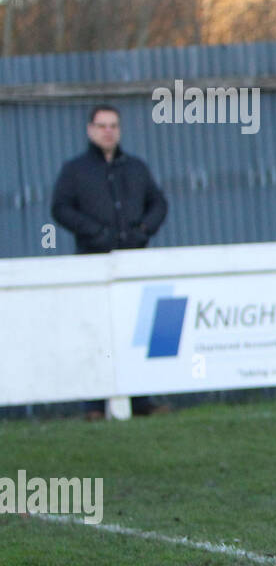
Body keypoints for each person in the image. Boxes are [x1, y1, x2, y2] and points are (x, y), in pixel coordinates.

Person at [51, 104, 169, 419]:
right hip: (92, 264)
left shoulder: (136, 168)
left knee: (136, 331)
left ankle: (142, 401)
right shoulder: (75, 170)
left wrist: (142, 230)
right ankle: (94, 406)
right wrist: (96, 233)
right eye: (102, 125)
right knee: (96, 333)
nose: (108, 131)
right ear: (90, 129)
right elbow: (61, 208)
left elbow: (158, 203)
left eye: (113, 125)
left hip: (133, 262)